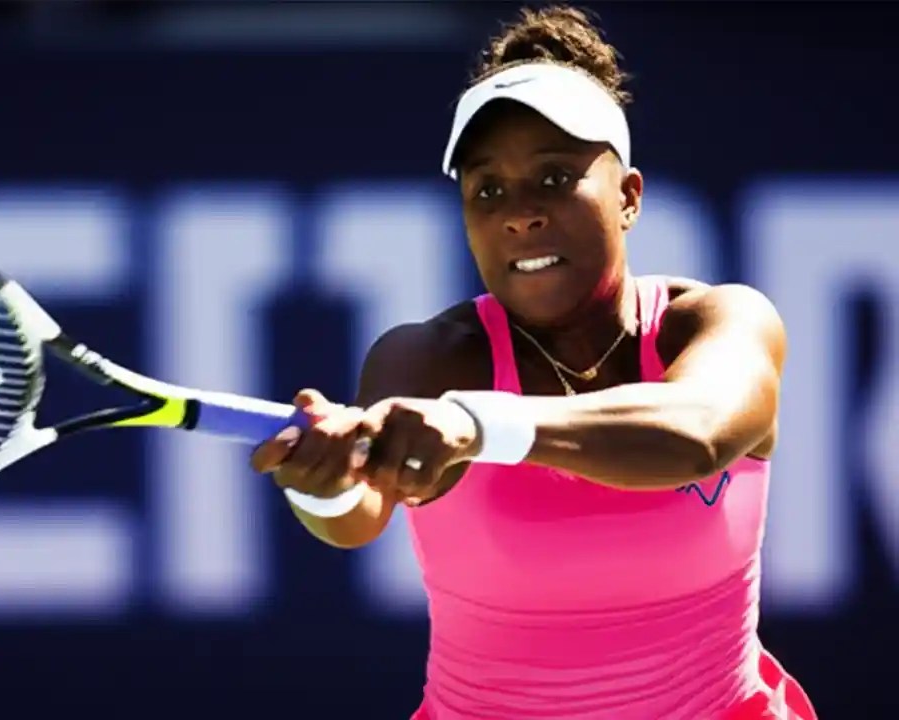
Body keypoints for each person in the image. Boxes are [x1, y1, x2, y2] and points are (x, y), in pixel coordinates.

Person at [250, 6, 817, 719]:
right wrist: (322, 484)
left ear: (629, 197)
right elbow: (359, 516)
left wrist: (475, 425)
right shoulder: (426, 356)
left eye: (553, 179)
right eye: (487, 190)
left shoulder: (718, 322)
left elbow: (698, 433)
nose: (519, 213)